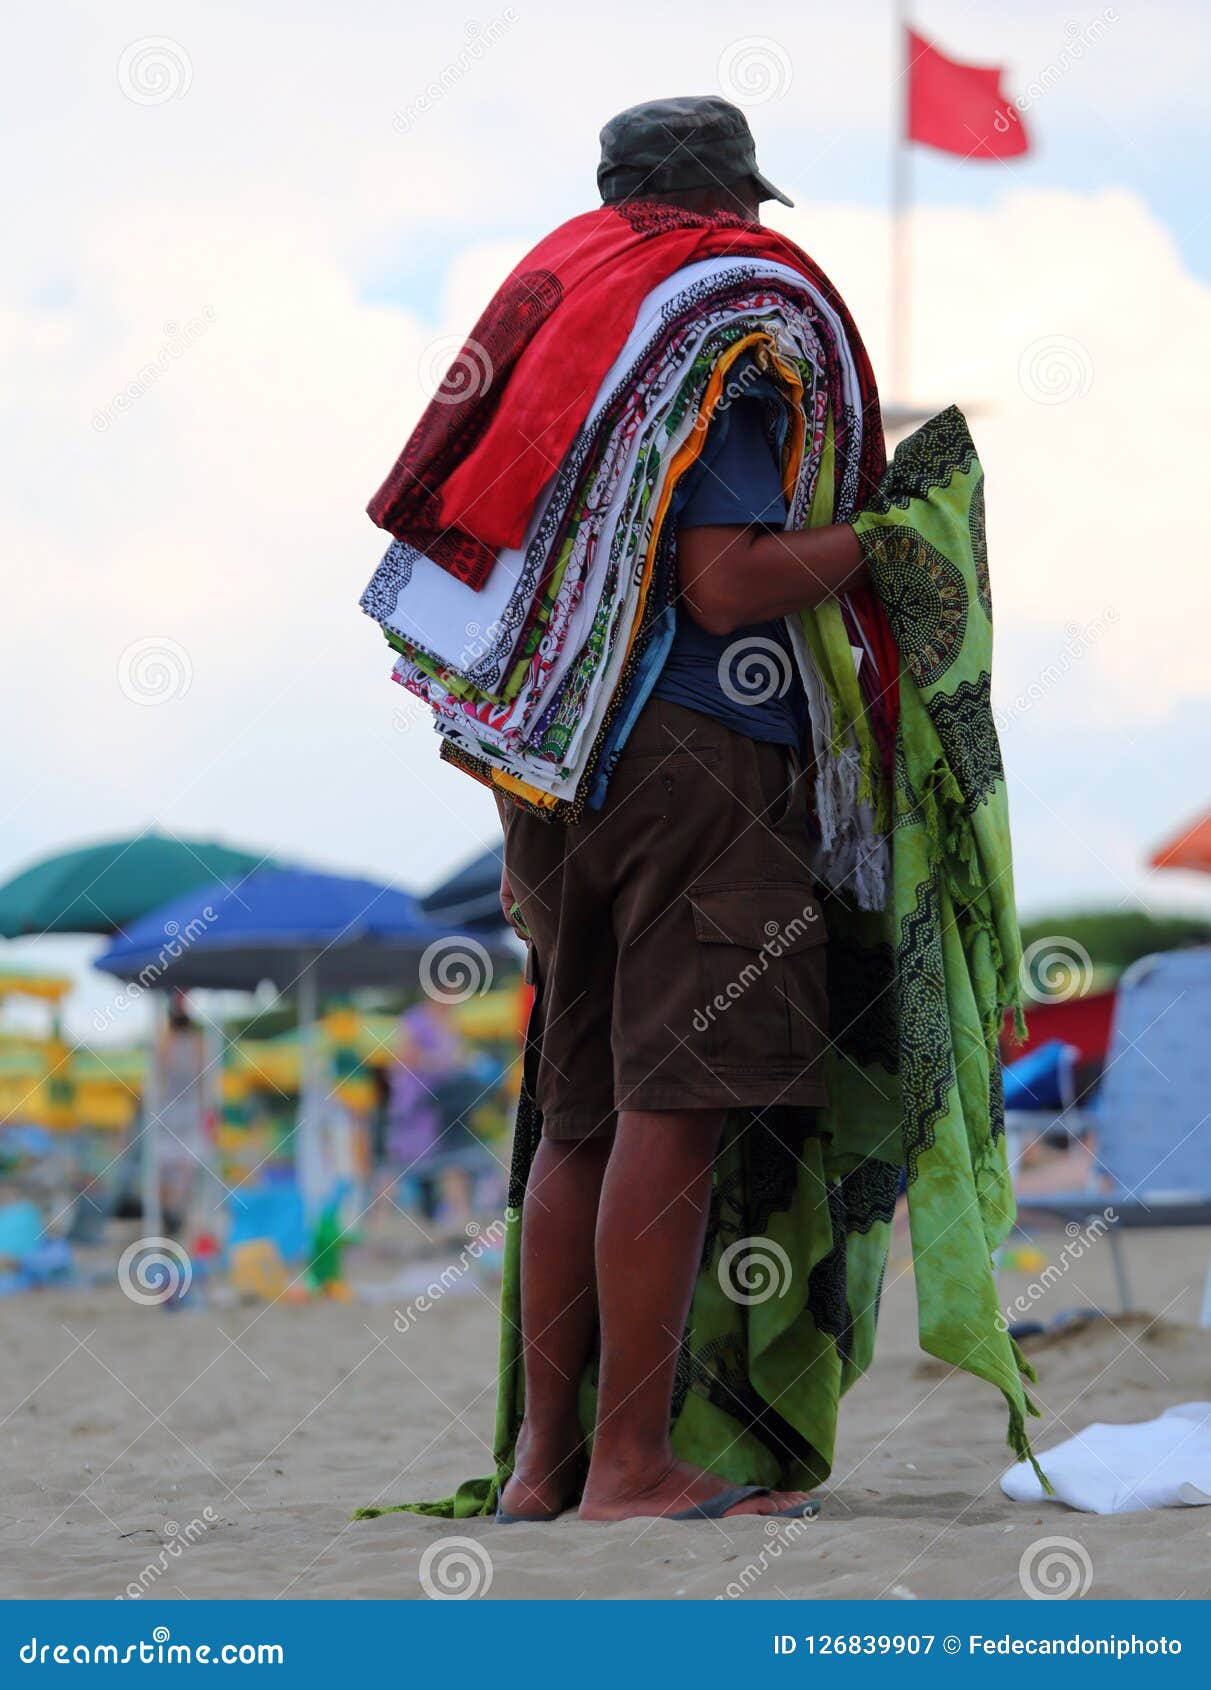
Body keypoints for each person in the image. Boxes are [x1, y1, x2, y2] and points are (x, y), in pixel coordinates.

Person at [494, 98, 870, 1523]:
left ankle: (547, 1464)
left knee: (574, 1108)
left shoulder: (568, 342)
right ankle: (637, 1465)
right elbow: (726, 583)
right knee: (678, 1096)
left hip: (552, 764)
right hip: (696, 753)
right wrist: (883, 545)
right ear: (732, 206)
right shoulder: (715, 336)